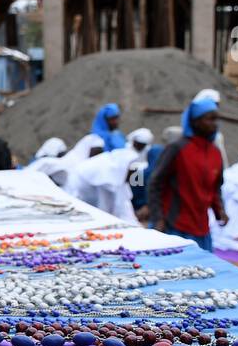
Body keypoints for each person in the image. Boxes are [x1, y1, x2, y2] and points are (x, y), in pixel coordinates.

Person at [147, 97, 226, 250]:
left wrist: (219, 210)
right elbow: (155, 182)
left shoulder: (216, 153)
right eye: (210, 119)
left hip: (202, 227)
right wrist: (158, 218)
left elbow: (216, 186)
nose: (215, 124)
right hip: (175, 226)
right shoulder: (177, 149)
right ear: (195, 121)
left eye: (216, 119)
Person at [66, 145, 140, 221]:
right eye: (133, 174)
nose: (134, 178)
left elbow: (124, 205)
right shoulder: (106, 174)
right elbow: (104, 209)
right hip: (77, 198)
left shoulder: (119, 172)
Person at [39, 133, 104, 187]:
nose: (96, 155)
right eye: (95, 152)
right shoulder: (72, 159)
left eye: (99, 153)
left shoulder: (92, 166)